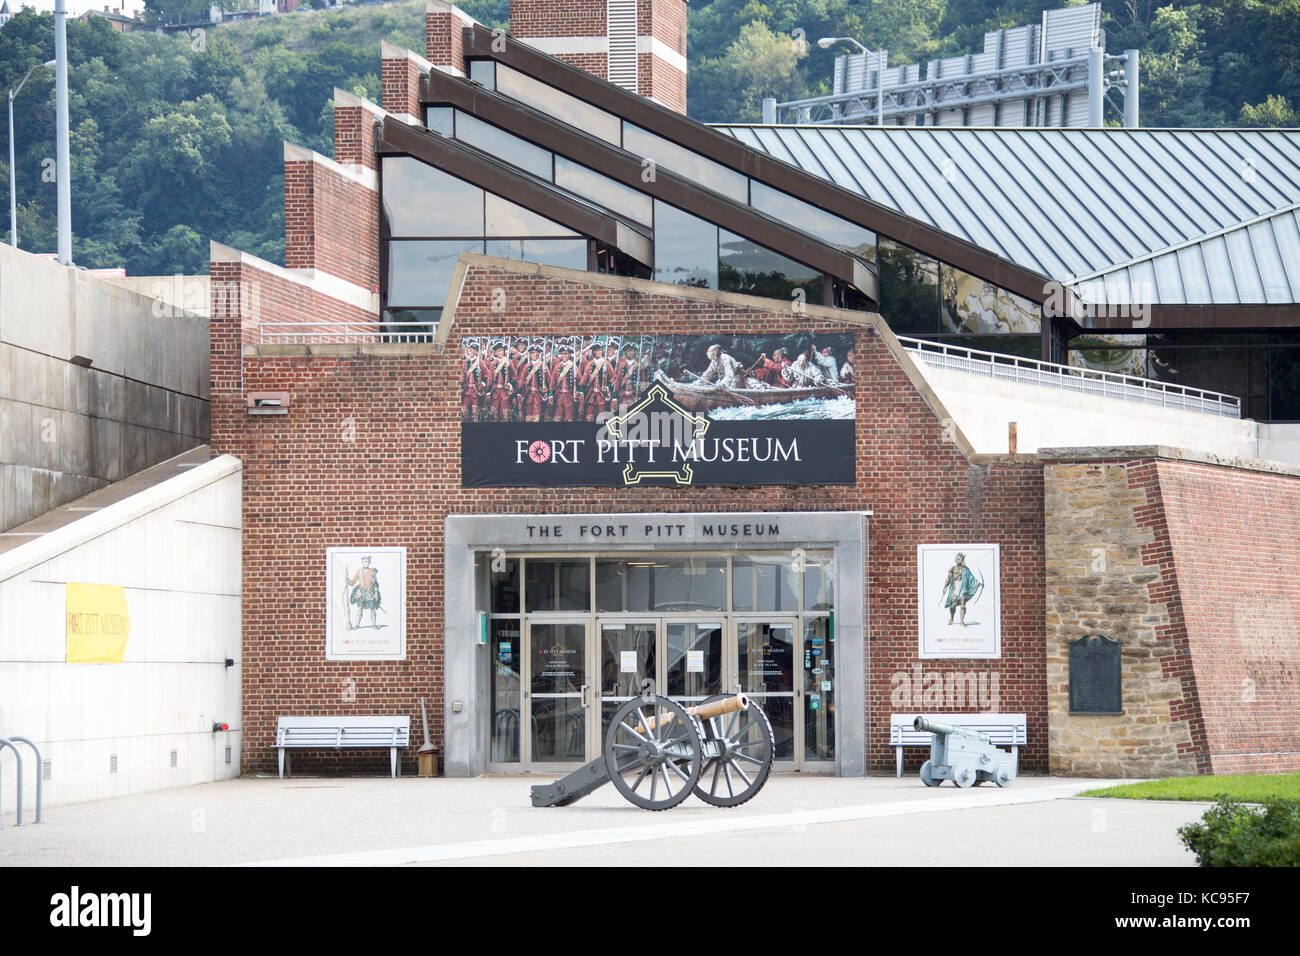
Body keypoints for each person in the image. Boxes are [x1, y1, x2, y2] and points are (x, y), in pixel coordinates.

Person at [941, 553, 981, 627]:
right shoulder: (952, 568)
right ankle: (952, 618)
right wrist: (945, 587)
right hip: (955, 587)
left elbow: (971, 578)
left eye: (960, 558)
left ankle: (962, 621)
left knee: (963, 605)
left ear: (962, 559)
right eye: (958, 558)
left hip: (964, 588)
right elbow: (948, 579)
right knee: (953, 605)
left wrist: (978, 584)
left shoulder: (966, 569)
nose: (959, 560)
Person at [580, 342, 615, 421]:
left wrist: (608, 387)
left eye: (600, 350)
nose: (599, 352)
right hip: (591, 394)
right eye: (597, 350)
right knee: (589, 417)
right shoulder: (589, 364)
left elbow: (614, 377)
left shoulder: (606, 363)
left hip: (602, 394)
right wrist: (581, 390)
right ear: (593, 352)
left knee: (601, 418)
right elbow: (584, 378)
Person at [346, 556, 382, 630]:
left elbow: (375, 584)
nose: (367, 563)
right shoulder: (359, 571)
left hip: (370, 593)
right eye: (366, 561)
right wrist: (347, 581)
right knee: (359, 609)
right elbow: (353, 582)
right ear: (362, 562)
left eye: (368, 561)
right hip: (361, 592)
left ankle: (374, 625)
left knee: (372, 609)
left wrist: (375, 592)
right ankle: (356, 625)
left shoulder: (372, 572)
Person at [518, 344, 550, 422]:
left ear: (539, 354)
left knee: (536, 418)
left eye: (536, 353)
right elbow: (522, 380)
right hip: (528, 394)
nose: (534, 355)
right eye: (532, 353)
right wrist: (519, 393)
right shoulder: (527, 366)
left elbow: (550, 380)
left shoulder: (543, 365)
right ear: (529, 354)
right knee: (528, 418)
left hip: (538, 395)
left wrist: (547, 389)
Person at [486, 341, 515, 422]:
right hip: (495, 391)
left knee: (504, 414)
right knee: (494, 413)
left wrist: (510, 384)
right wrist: (488, 392)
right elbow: (490, 378)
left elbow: (514, 376)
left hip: (504, 391)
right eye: (498, 351)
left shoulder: (508, 362)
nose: (500, 352)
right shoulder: (493, 364)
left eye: (502, 350)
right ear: (495, 352)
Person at [550, 345, 580, 421]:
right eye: (562, 354)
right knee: (557, 418)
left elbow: (580, 381)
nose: (564, 355)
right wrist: (551, 395)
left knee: (569, 418)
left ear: (569, 355)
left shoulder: (574, 367)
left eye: (566, 354)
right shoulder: (557, 367)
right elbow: (552, 382)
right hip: (559, 395)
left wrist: (578, 391)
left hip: (569, 396)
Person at [461, 343, 487, 422]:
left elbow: (487, 374)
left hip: (476, 390)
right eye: (469, 350)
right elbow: (462, 374)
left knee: (475, 411)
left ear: (475, 351)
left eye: (472, 350)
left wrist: (482, 383)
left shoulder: (480, 362)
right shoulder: (465, 362)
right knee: (464, 410)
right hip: (467, 389)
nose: (470, 352)